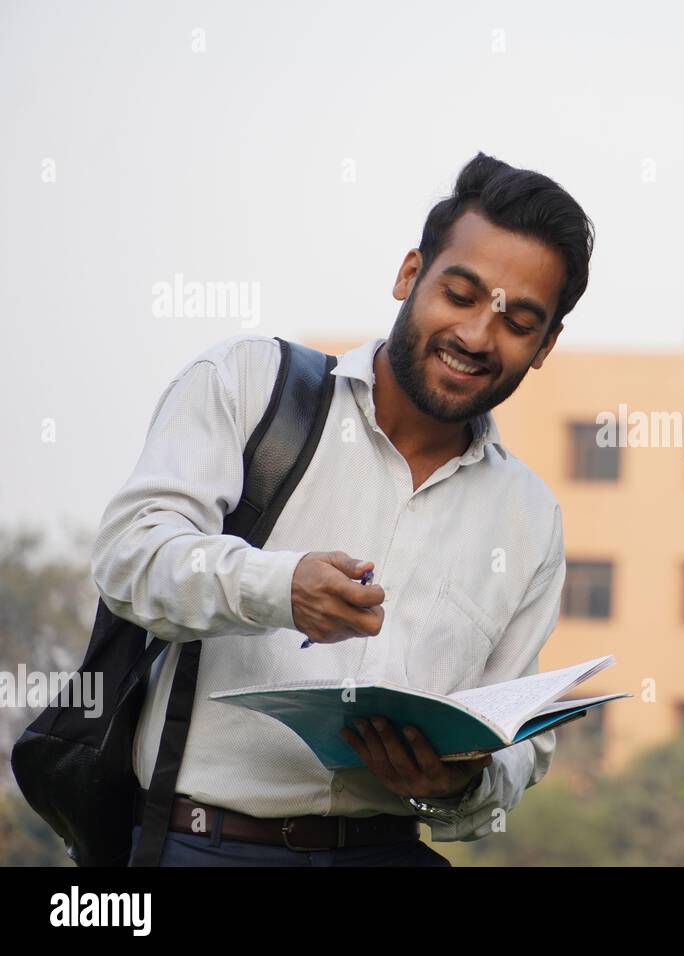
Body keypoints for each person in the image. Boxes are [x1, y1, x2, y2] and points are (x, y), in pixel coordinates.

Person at [92, 151, 595, 865]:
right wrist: (279, 587)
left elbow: (522, 745)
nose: (478, 336)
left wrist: (462, 783)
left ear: (545, 346)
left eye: (518, 321)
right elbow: (129, 557)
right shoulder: (250, 385)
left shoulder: (530, 519)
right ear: (409, 274)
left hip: (388, 849)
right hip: (202, 846)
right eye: (460, 294)